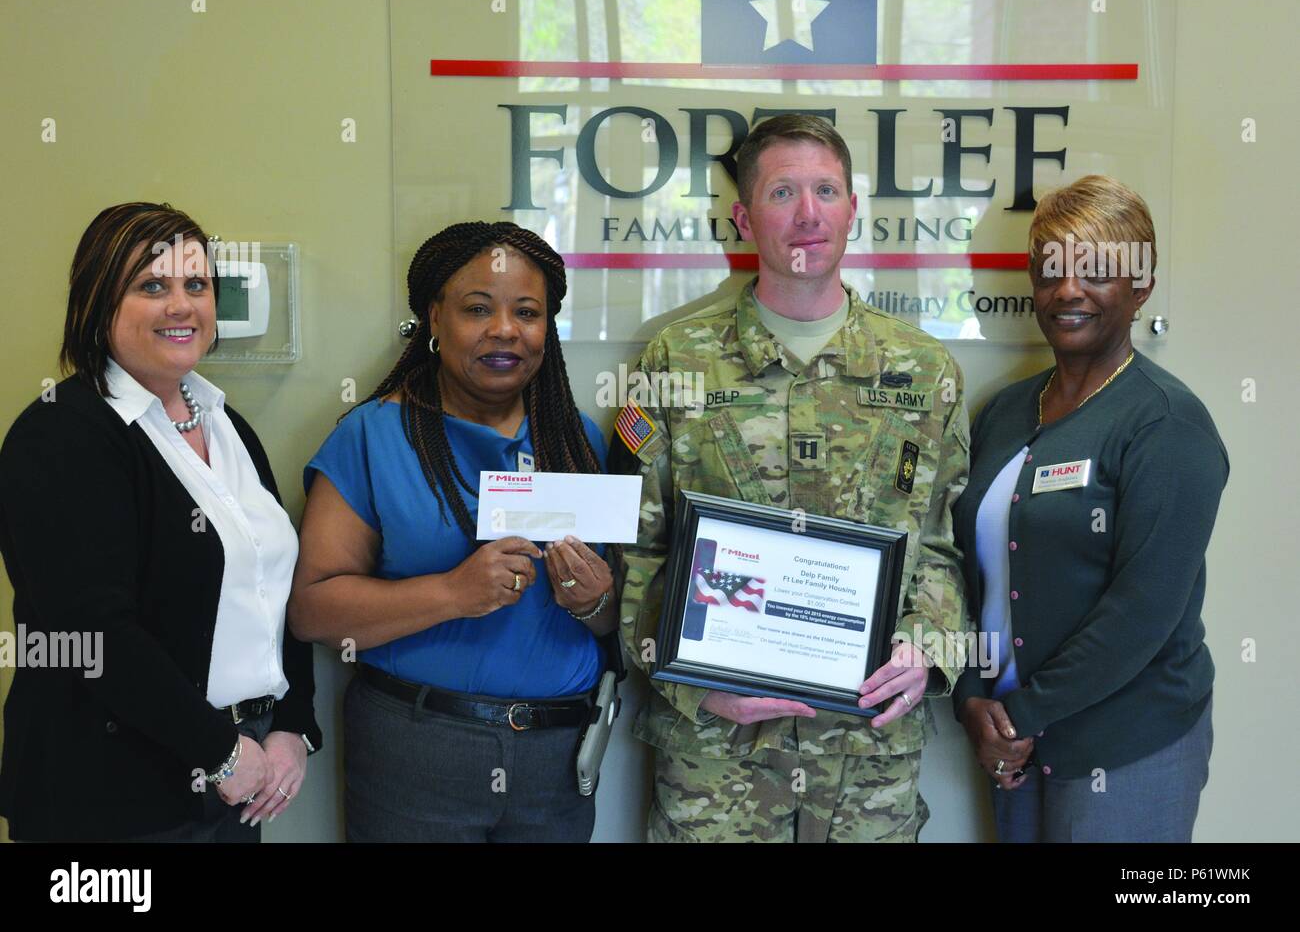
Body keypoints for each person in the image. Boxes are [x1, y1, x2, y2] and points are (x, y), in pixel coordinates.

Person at [612, 114, 971, 842]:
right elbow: (635, 552)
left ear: (853, 209)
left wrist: (928, 650)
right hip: (718, 770)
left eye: (826, 190)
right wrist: (694, 682)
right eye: (782, 192)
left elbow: (939, 549)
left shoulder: (923, 371)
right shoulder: (674, 363)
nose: (808, 214)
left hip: (865, 763)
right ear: (744, 217)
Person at [0, 202, 321, 842]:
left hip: (242, 775)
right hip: (113, 791)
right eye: (153, 286)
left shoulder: (227, 426)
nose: (182, 305)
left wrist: (291, 725)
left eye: (195, 285)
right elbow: (90, 633)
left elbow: (270, 584)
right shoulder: (62, 432)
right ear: (97, 302)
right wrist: (219, 751)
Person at [290, 221, 615, 843]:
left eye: (528, 312)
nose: (505, 330)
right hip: (420, 749)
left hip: (558, 759)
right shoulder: (372, 435)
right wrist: (453, 594)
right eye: (476, 309)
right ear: (434, 319)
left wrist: (595, 603)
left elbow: (610, 620)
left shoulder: (577, 439)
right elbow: (311, 612)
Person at [952, 175, 1227, 842]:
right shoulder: (1004, 412)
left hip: (1126, 745)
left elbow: (1143, 611)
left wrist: (1018, 715)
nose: (1067, 290)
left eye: (1097, 271)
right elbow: (964, 571)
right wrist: (970, 700)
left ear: (1141, 288)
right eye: (1050, 271)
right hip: (1012, 745)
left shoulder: (1166, 423)